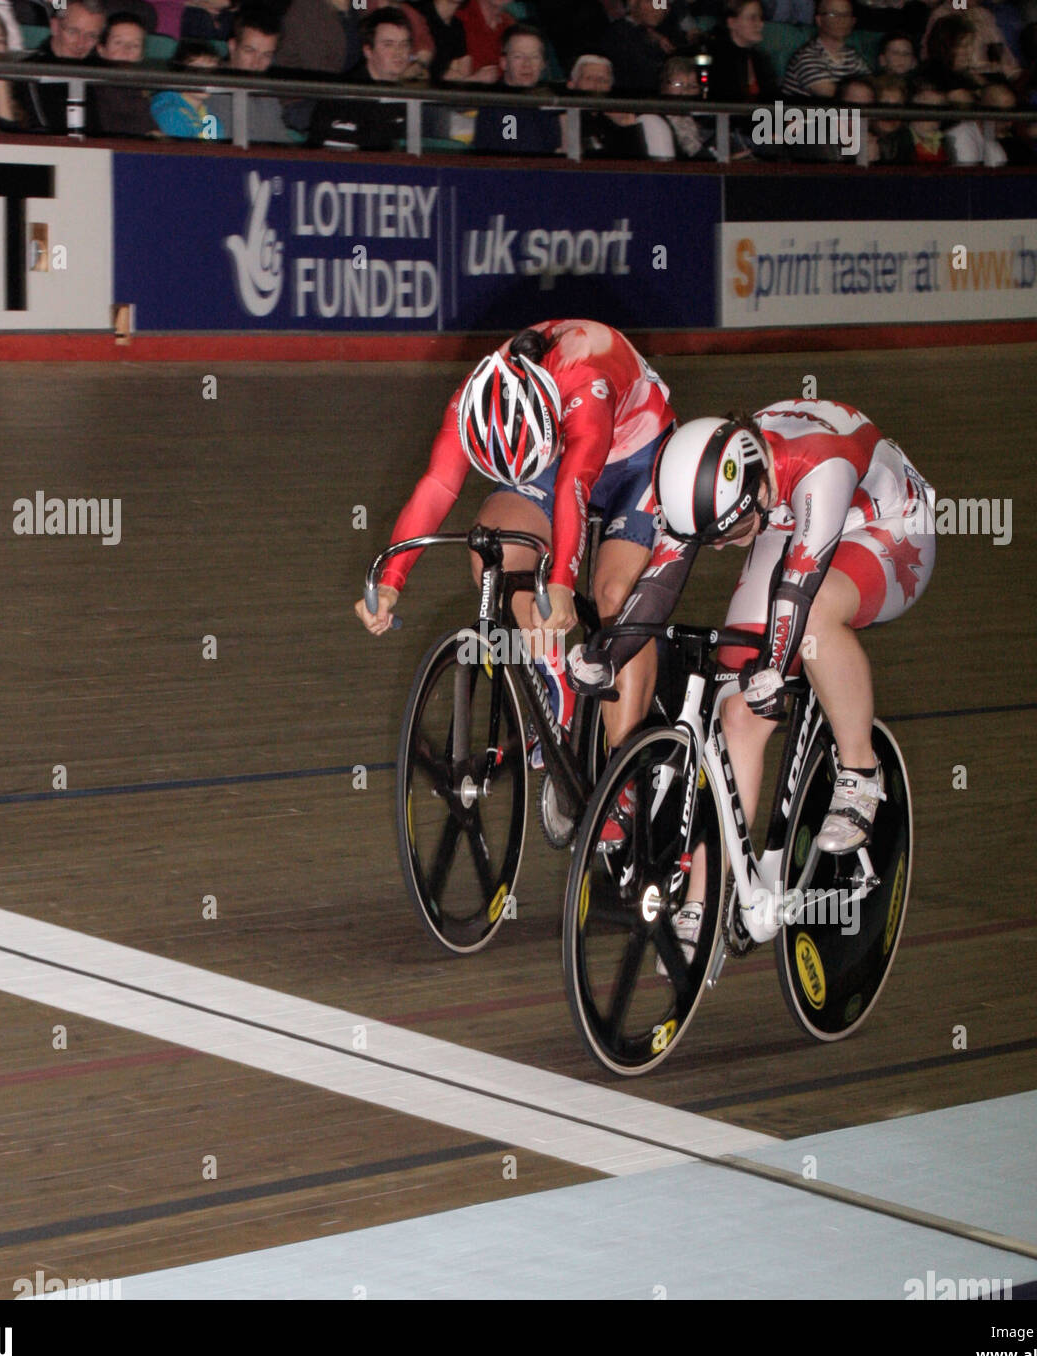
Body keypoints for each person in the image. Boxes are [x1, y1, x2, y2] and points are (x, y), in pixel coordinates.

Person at [567, 402, 935, 955]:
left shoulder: (818, 463)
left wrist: (775, 665)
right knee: (738, 711)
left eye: (728, 530)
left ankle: (860, 771)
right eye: (708, 538)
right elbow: (662, 583)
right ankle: (705, 898)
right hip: (788, 522)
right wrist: (610, 653)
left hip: (886, 524)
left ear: (756, 487)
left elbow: (799, 587)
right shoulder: (712, 479)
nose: (718, 546)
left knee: (809, 620)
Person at [356, 320, 678, 771]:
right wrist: (391, 581)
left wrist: (562, 582)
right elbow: (436, 486)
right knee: (495, 549)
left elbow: (575, 489)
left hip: (636, 453)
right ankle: (557, 683)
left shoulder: (586, 378)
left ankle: (620, 777)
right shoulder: (475, 396)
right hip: (547, 455)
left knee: (614, 599)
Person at [307, 6, 410, 150]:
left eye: (404, 45)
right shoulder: (345, 98)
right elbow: (340, 162)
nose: (399, 53)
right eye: (389, 45)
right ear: (368, 50)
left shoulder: (410, 97)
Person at [207, 8, 295, 144]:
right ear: (232, 47)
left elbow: (281, 142)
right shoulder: (207, 91)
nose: (256, 63)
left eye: (266, 55)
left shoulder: (267, 94)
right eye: (249, 51)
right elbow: (209, 144)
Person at [17, 0, 105, 133]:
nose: (81, 43)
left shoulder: (101, 72)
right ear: (55, 27)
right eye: (73, 31)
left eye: (91, 36)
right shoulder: (30, 73)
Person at [473, 25, 562, 155]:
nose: (527, 64)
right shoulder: (493, 102)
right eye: (518, 57)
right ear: (504, 63)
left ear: (543, 64)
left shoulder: (553, 103)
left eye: (534, 57)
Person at [783, 1, 872, 97]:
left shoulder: (852, 56)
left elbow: (871, 86)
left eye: (846, 15)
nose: (841, 20)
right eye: (833, 14)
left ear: (853, 21)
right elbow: (837, 96)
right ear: (819, 20)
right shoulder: (806, 57)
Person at [89, 10, 156, 137]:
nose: (126, 50)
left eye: (135, 45)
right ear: (101, 49)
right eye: (118, 43)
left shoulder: (140, 89)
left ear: (141, 55)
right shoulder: (93, 89)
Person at [567, 52, 646, 158]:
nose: (596, 85)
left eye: (603, 80)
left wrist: (627, 127)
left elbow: (638, 165)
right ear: (572, 85)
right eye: (589, 78)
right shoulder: (563, 119)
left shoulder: (616, 119)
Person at [639, 54, 715, 158]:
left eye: (692, 86)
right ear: (663, 84)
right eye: (678, 84)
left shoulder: (704, 117)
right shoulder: (653, 116)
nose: (685, 91)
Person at [151, 37, 227, 138]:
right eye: (196, 71)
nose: (206, 78)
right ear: (178, 73)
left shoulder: (210, 118)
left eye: (212, 72)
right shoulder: (168, 111)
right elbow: (183, 151)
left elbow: (216, 151)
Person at [707, 0, 780, 103]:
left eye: (760, 18)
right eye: (752, 18)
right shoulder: (716, 58)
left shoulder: (761, 59)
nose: (760, 24)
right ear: (732, 22)